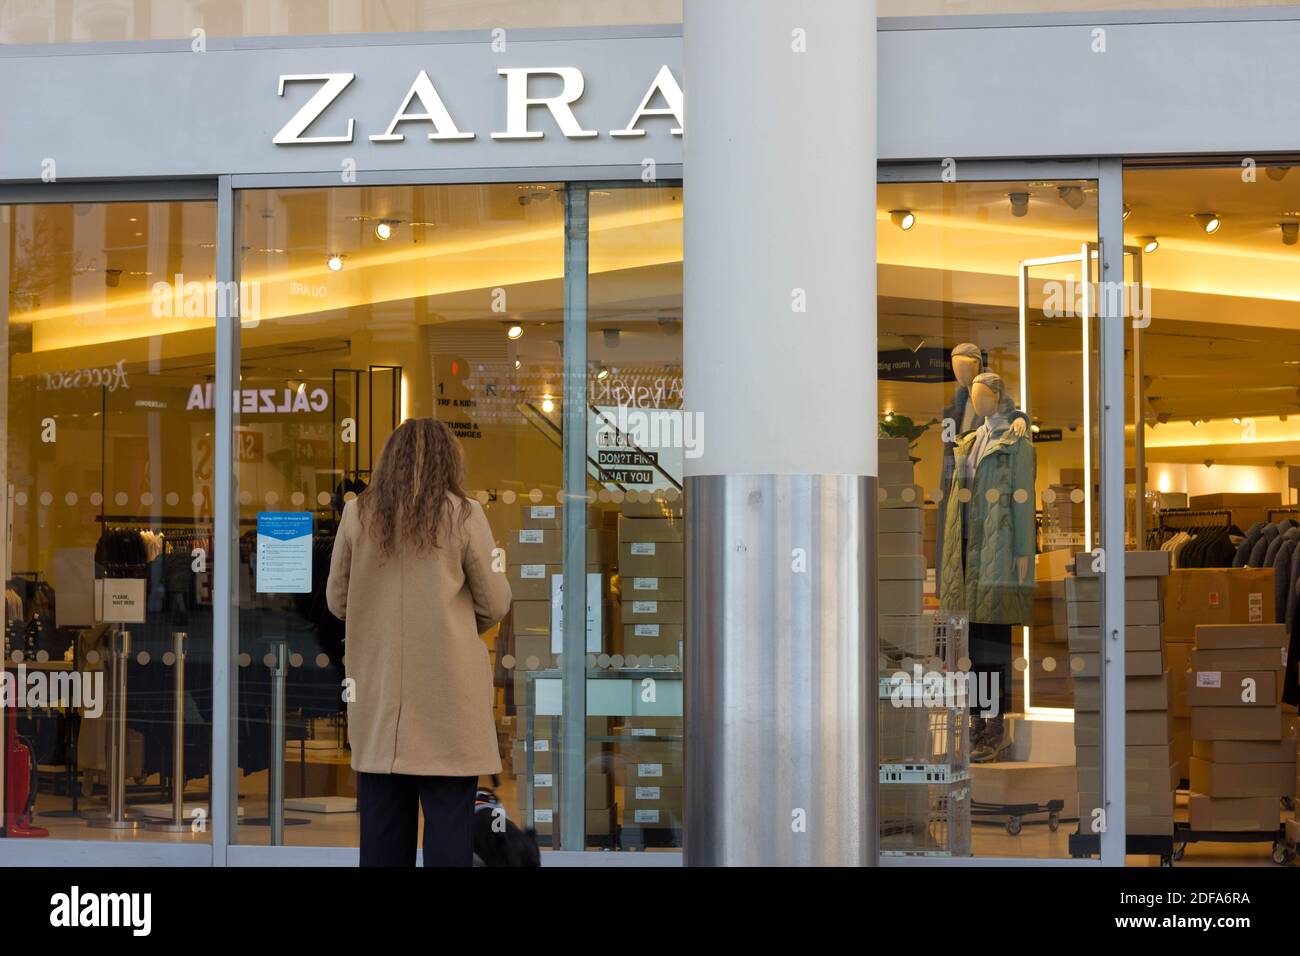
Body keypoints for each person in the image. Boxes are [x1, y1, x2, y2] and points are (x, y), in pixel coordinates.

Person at [326, 418, 511, 866]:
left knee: (383, 831)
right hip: (448, 698)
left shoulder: (358, 513)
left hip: (380, 697)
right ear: (449, 460)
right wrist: (456, 623)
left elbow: (336, 599)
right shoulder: (465, 514)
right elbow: (496, 600)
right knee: (449, 828)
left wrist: (377, 619)